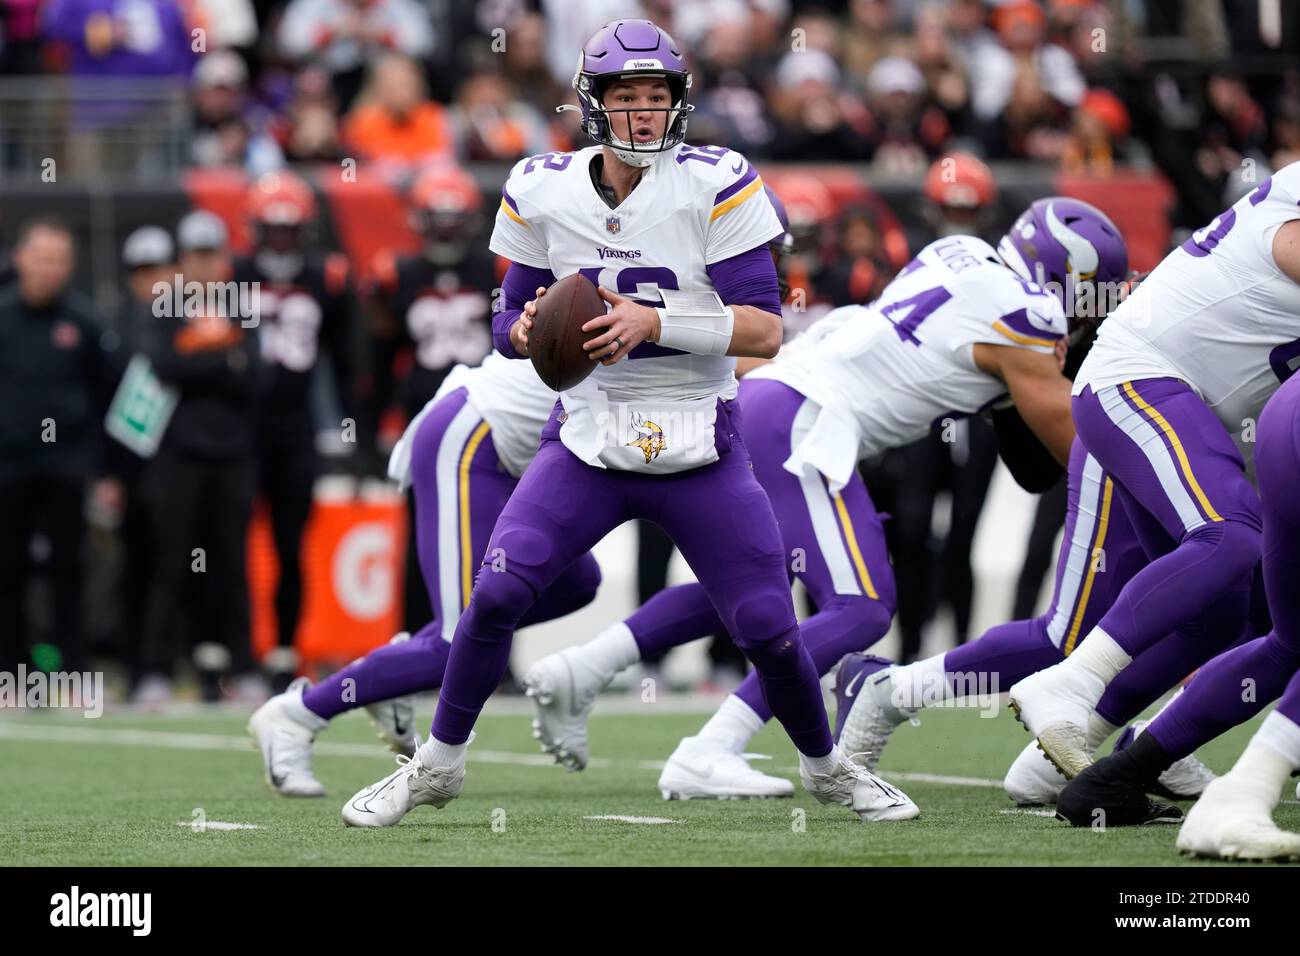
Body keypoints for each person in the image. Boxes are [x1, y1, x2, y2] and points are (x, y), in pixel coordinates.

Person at [339, 18, 915, 827]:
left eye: (657, 97)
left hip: (698, 436)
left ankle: (827, 769)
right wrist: (530, 327)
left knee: (767, 626)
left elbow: (763, 329)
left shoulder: (717, 180)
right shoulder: (543, 184)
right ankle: (436, 765)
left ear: (677, 104)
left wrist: (654, 321)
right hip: (588, 433)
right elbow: (506, 321)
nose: (644, 114)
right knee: (496, 593)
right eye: (626, 97)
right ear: (594, 104)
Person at [525, 196, 1123, 800]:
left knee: (751, 590)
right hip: (804, 419)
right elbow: (1077, 448)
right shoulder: (1031, 317)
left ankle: (585, 668)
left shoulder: (960, 254)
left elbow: (1009, 430)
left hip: (766, 398)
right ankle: (710, 747)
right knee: (862, 606)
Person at [1007, 163, 1300, 801]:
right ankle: (1072, 682)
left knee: (1229, 619)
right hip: (1141, 378)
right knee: (1230, 537)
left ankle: (1076, 746)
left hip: (1191, 410)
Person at [247, 352, 601, 796]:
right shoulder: (638, 320)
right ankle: (297, 713)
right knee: (455, 642)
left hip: (521, 455)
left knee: (575, 582)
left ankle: (396, 673)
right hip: (472, 436)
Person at [233, 171, 357, 691]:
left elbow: (348, 360)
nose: (281, 239)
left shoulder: (324, 276)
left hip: (295, 424)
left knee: (289, 542)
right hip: (238, 429)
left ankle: (284, 652)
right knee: (229, 541)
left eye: (290, 229)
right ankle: (235, 656)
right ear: (255, 228)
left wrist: (352, 430)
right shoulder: (229, 273)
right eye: (272, 228)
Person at [135, 211, 260, 703]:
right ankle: (155, 670)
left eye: (212, 254)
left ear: (224, 259)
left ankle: (242, 666)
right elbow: (162, 366)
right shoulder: (164, 308)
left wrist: (199, 363)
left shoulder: (241, 306)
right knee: (170, 563)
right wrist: (221, 361)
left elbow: (254, 376)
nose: (205, 265)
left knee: (232, 563)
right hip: (179, 456)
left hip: (233, 454)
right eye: (195, 256)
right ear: (182, 261)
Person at [0, 216, 119, 677]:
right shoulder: (4, 317)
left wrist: (109, 472)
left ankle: (72, 671)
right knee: (8, 572)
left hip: (68, 466)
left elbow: (111, 397)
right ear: (21, 259)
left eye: (58, 260)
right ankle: (12, 673)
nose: (48, 268)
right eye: (41, 258)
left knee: (69, 571)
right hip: (9, 467)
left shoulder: (85, 322)